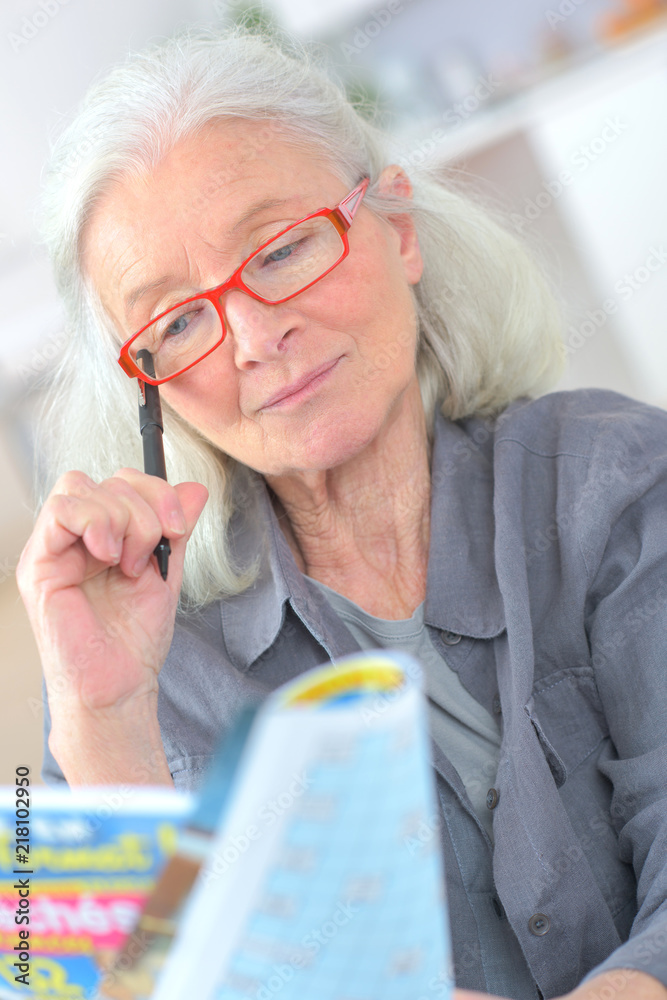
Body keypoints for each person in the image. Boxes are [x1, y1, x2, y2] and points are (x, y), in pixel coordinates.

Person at [16, 27, 667, 1000]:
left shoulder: (613, 480)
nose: (250, 336)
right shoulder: (142, 654)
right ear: (149, 391)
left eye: (279, 250)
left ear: (395, 229)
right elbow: (43, 972)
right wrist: (102, 723)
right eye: (177, 320)